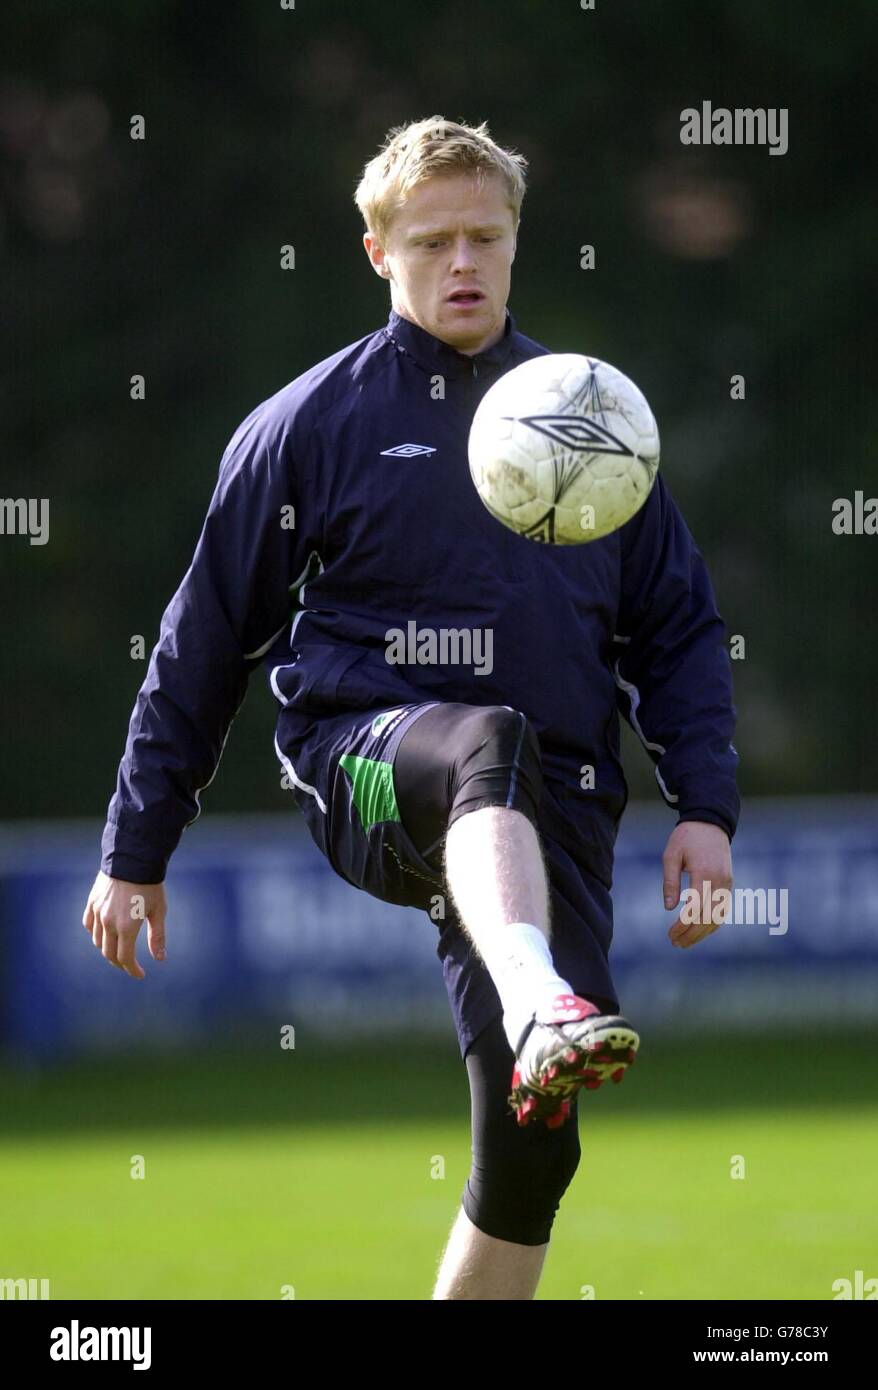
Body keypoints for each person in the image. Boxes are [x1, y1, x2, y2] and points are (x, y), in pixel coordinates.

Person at [82, 115, 738, 1300]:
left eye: (484, 235)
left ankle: (537, 1012)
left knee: (534, 1152)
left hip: (557, 805)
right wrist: (136, 847)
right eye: (431, 241)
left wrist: (705, 803)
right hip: (365, 766)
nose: (463, 262)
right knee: (479, 738)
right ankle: (544, 994)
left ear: (516, 239)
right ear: (376, 251)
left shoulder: (590, 416)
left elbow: (676, 625)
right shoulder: (306, 426)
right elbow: (201, 643)